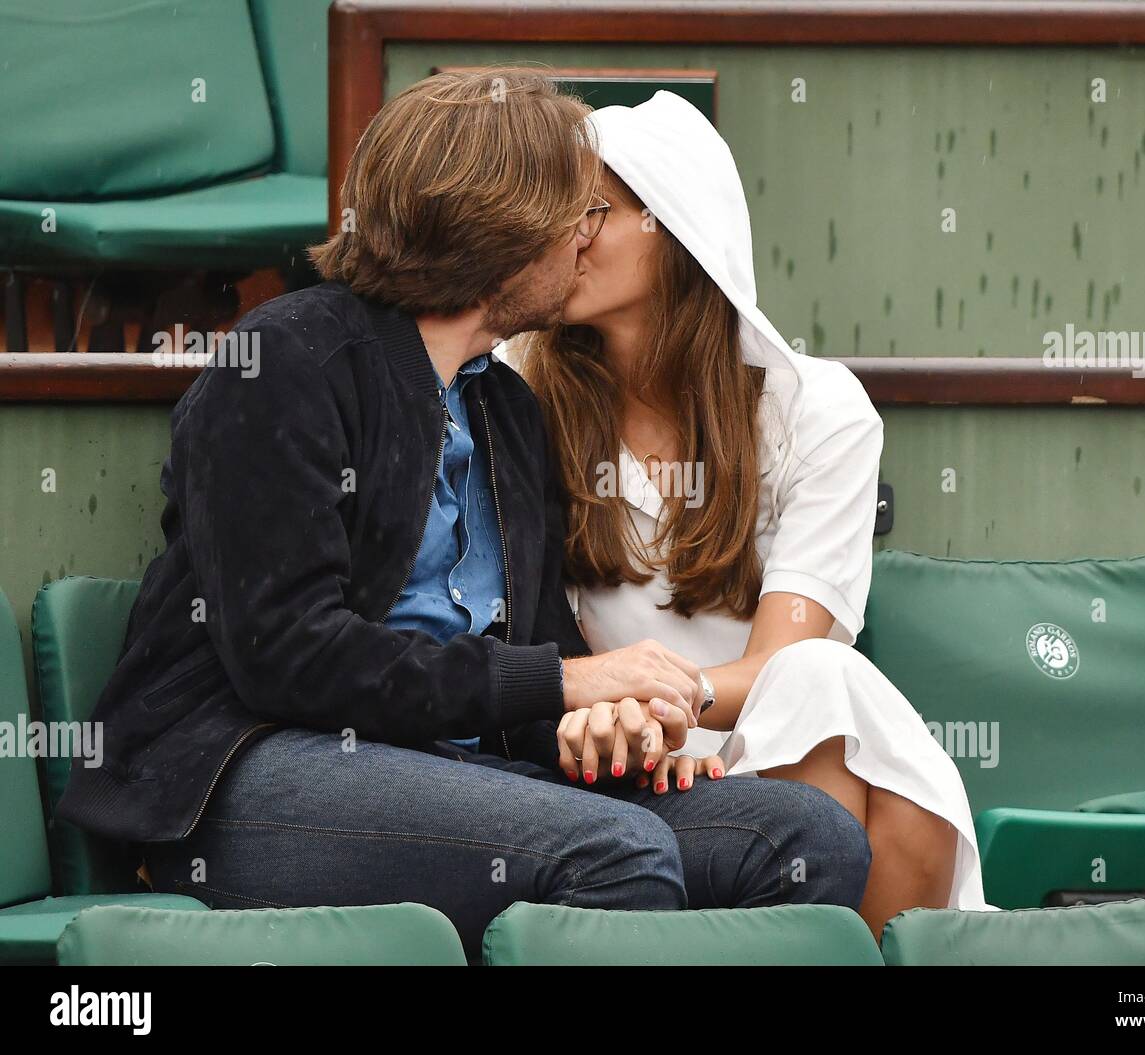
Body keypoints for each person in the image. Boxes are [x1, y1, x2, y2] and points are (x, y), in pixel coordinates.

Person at [52, 69, 870, 960]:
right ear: (506, 233)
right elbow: (288, 653)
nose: (586, 240)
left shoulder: (507, 408)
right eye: (578, 215)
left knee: (802, 837)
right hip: (246, 769)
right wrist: (561, 684)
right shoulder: (285, 360)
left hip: (459, 770)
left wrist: (607, 725)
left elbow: (531, 663)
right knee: (616, 854)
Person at [508, 90, 993, 939]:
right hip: (613, 764)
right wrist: (615, 712)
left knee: (824, 684)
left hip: (767, 739)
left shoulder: (818, 411)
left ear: (679, 230)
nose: (565, 237)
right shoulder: (522, 389)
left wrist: (668, 695)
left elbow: (787, 664)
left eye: (593, 211)